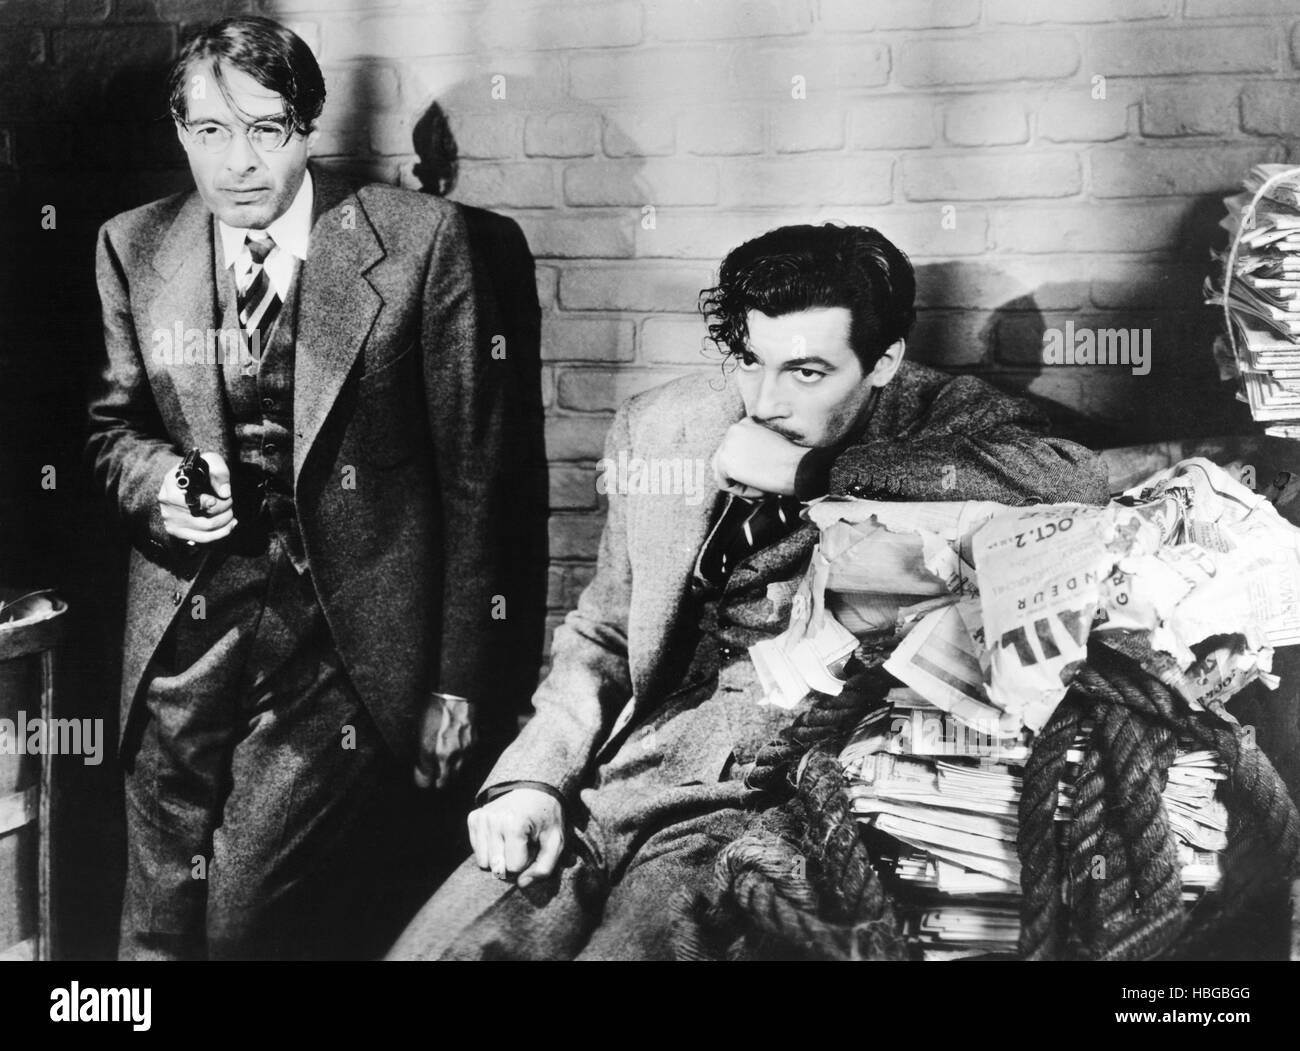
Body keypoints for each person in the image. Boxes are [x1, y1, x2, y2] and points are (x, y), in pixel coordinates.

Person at [387, 222, 1112, 961]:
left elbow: (1074, 477)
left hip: (758, 801)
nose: (764, 401)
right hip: (609, 777)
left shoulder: (940, 415)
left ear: (884, 361)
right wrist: (531, 776)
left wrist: (818, 473)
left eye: (806, 372)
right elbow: (602, 632)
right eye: (748, 360)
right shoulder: (662, 425)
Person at [85, 16, 511, 960]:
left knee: (244, 924)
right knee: (152, 925)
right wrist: (162, 485)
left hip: (334, 645)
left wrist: (456, 680)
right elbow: (114, 432)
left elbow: (476, 476)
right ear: (180, 132)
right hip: (182, 637)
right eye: (209, 132)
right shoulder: (133, 245)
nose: (238, 163)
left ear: (309, 127)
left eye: (266, 130)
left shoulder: (416, 241)